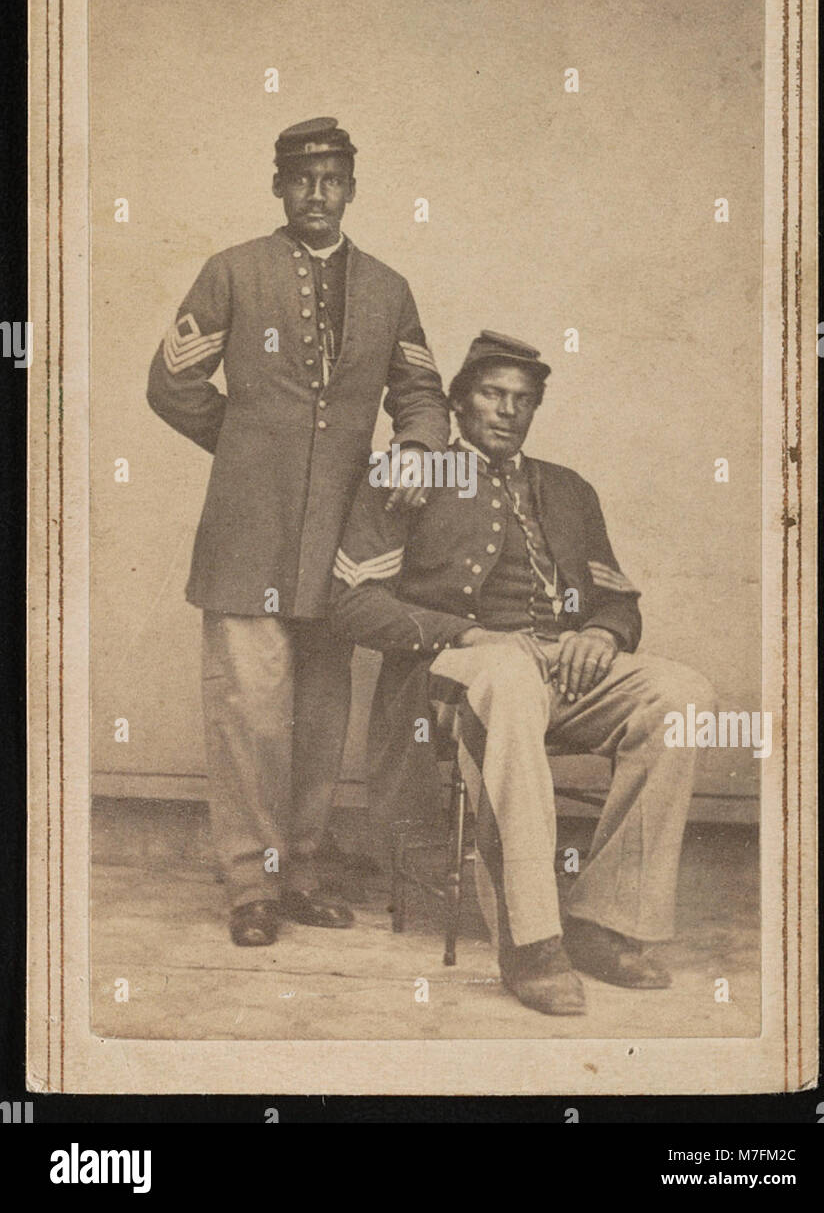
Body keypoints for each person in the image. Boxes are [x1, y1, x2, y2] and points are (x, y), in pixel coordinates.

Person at [329, 330, 716, 1015]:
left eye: (523, 400)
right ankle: (533, 940)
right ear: (458, 400)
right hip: (452, 675)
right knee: (507, 677)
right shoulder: (410, 473)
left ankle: (607, 922)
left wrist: (600, 632)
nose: (508, 411)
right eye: (492, 394)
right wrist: (473, 632)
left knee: (682, 694)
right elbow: (352, 604)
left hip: (558, 674)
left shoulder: (568, 488)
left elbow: (617, 598)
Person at [147, 118, 450, 946]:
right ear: (278, 187)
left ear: (353, 187)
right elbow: (173, 383)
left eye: (332, 178)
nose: (317, 193)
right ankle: (251, 886)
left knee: (319, 714)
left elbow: (423, 393)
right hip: (249, 534)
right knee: (249, 713)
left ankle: (302, 871)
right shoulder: (232, 272)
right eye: (301, 178)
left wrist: (418, 450)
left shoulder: (389, 288)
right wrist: (248, 449)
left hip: (345, 544)